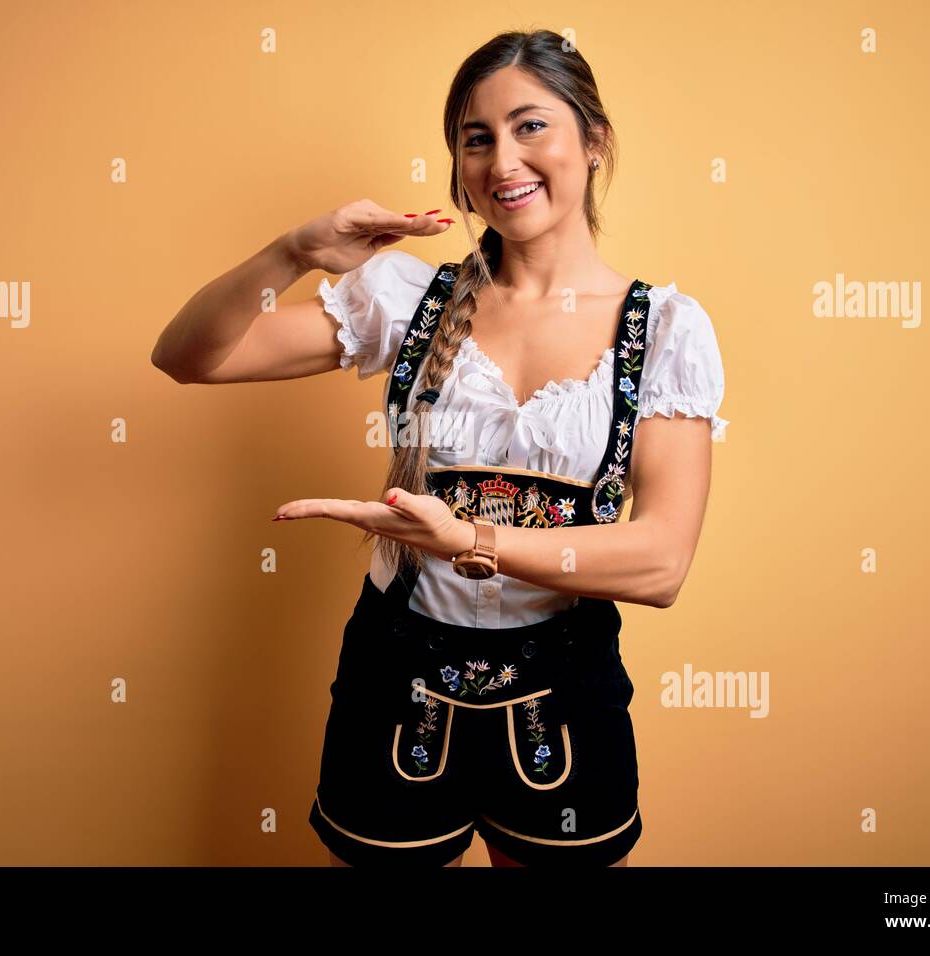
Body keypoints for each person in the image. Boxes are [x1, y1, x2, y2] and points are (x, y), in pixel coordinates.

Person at [152, 29, 728, 868]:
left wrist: (471, 542)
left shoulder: (664, 331)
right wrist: (293, 253)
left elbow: (660, 563)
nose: (503, 161)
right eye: (476, 137)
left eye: (531, 126)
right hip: (397, 683)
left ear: (593, 140)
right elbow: (188, 358)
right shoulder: (406, 299)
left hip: (566, 698)